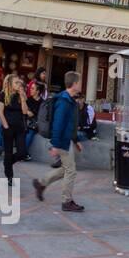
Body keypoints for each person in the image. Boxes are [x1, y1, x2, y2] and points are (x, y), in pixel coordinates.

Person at [32, 71, 84, 212]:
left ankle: (41, 183)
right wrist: (55, 145)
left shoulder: (71, 100)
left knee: (66, 170)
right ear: (74, 84)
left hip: (67, 140)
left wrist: (76, 139)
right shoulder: (63, 101)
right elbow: (58, 124)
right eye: (79, 82)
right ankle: (66, 202)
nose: (81, 84)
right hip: (61, 142)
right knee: (71, 171)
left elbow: (70, 124)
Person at [0, 74, 32, 188]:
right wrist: (6, 126)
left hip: (20, 128)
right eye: (16, 82)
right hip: (8, 127)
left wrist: (23, 98)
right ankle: (9, 176)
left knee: (22, 153)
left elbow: (25, 112)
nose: (19, 84)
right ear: (10, 84)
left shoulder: (20, 95)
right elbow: (1, 112)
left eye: (19, 82)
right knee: (8, 153)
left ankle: (7, 163)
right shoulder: (3, 94)